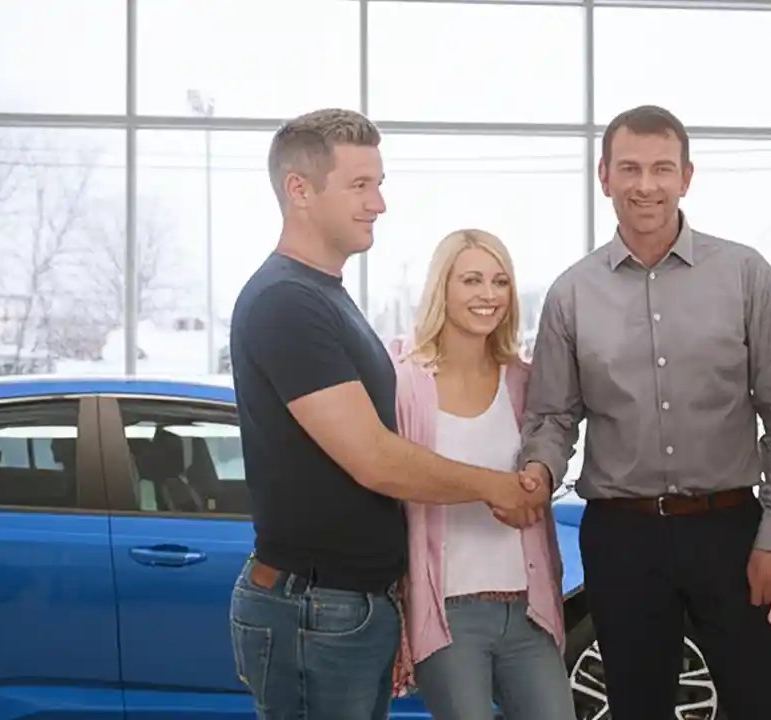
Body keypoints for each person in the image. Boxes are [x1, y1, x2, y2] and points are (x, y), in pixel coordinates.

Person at [227, 108, 549, 720]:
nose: (379, 204)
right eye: (360, 185)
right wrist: (494, 488)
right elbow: (373, 458)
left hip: (347, 608)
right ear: (299, 190)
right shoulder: (285, 302)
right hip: (312, 609)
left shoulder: (325, 295)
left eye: (379, 184)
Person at [519, 104, 771, 720]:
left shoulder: (745, 275)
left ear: (687, 176)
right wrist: (539, 472)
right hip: (622, 537)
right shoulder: (572, 294)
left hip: (731, 530)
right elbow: (552, 417)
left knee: (765, 703)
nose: (645, 184)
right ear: (603, 175)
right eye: (629, 168)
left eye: (662, 168)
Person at [385, 229, 575, 720]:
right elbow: (388, 486)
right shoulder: (402, 378)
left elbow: (550, 456)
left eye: (500, 282)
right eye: (471, 280)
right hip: (448, 616)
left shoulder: (526, 381)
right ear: (442, 287)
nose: (488, 295)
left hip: (529, 611)